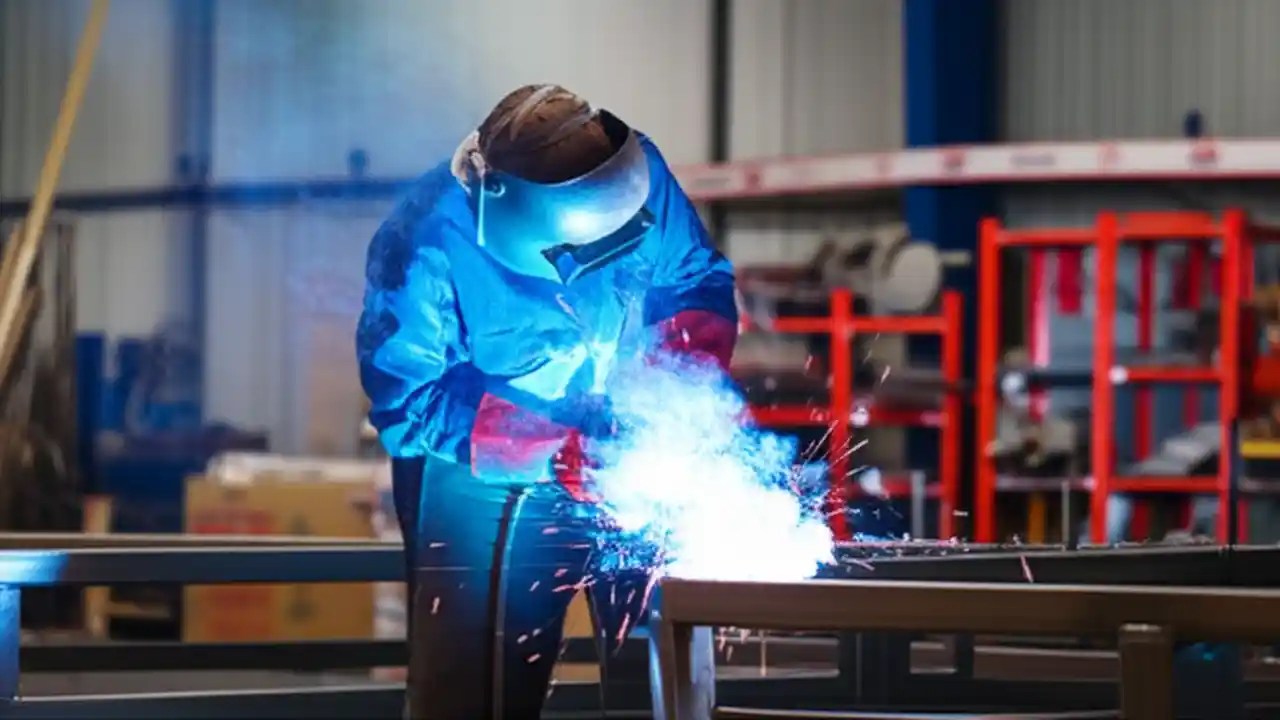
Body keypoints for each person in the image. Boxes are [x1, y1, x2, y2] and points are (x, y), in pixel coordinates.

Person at [356, 84, 737, 720]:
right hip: (478, 462)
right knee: (476, 677)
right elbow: (409, 397)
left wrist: (677, 385)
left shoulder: (636, 174)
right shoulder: (425, 234)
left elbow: (693, 280)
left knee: (661, 644)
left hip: (620, 431)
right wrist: (554, 449)